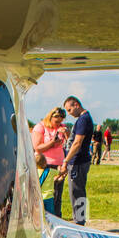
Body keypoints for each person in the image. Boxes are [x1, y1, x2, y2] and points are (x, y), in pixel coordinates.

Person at [60, 95, 93, 225]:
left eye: (69, 110)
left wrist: (65, 161)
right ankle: (80, 219)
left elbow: (77, 143)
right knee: (77, 191)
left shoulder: (83, 119)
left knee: (77, 192)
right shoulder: (82, 119)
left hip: (78, 161)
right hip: (78, 160)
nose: (69, 113)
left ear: (76, 105)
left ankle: (79, 221)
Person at [32, 107, 68, 212]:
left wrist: (67, 133)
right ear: (51, 117)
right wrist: (52, 142)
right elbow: (37, 147)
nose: (59, 124)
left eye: (61, 121)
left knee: (57, 194)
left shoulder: (62, 127)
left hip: (58, 165)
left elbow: (68, 141)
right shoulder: (40, 127)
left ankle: (56, 216)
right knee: (43, 193)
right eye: (57, 121)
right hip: (43, 165)